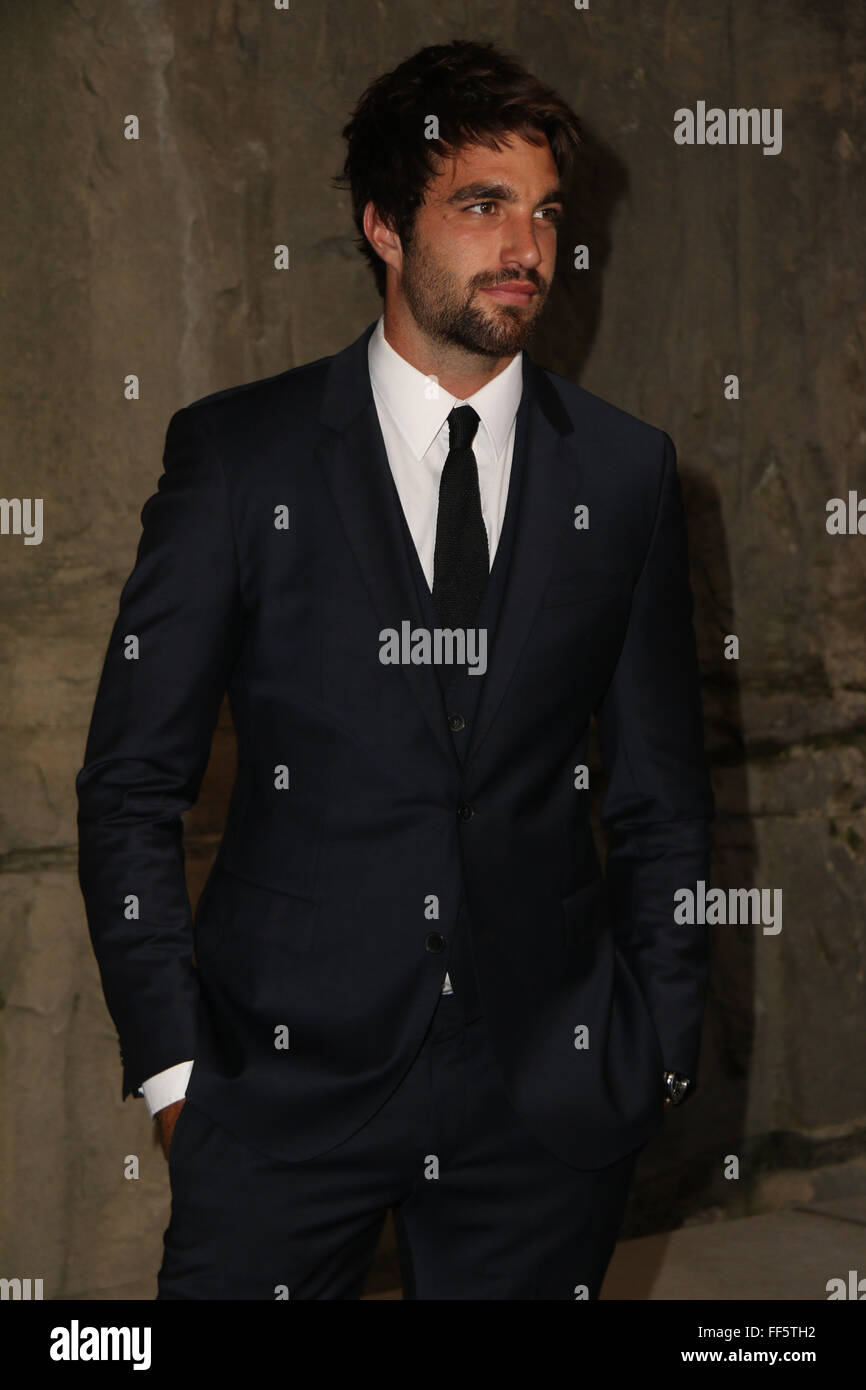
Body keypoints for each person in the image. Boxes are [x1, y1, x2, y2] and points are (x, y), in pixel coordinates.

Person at [76, 39, 714, 1300]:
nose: (524, 246)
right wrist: (175, 1078)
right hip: (277, 1083)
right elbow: (128, 786)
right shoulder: (239, 459)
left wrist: (653, 1048)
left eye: (542, 211)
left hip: (546, 1094)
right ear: (381, 225)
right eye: (480, 206)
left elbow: (662, 801)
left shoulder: (626, 474)